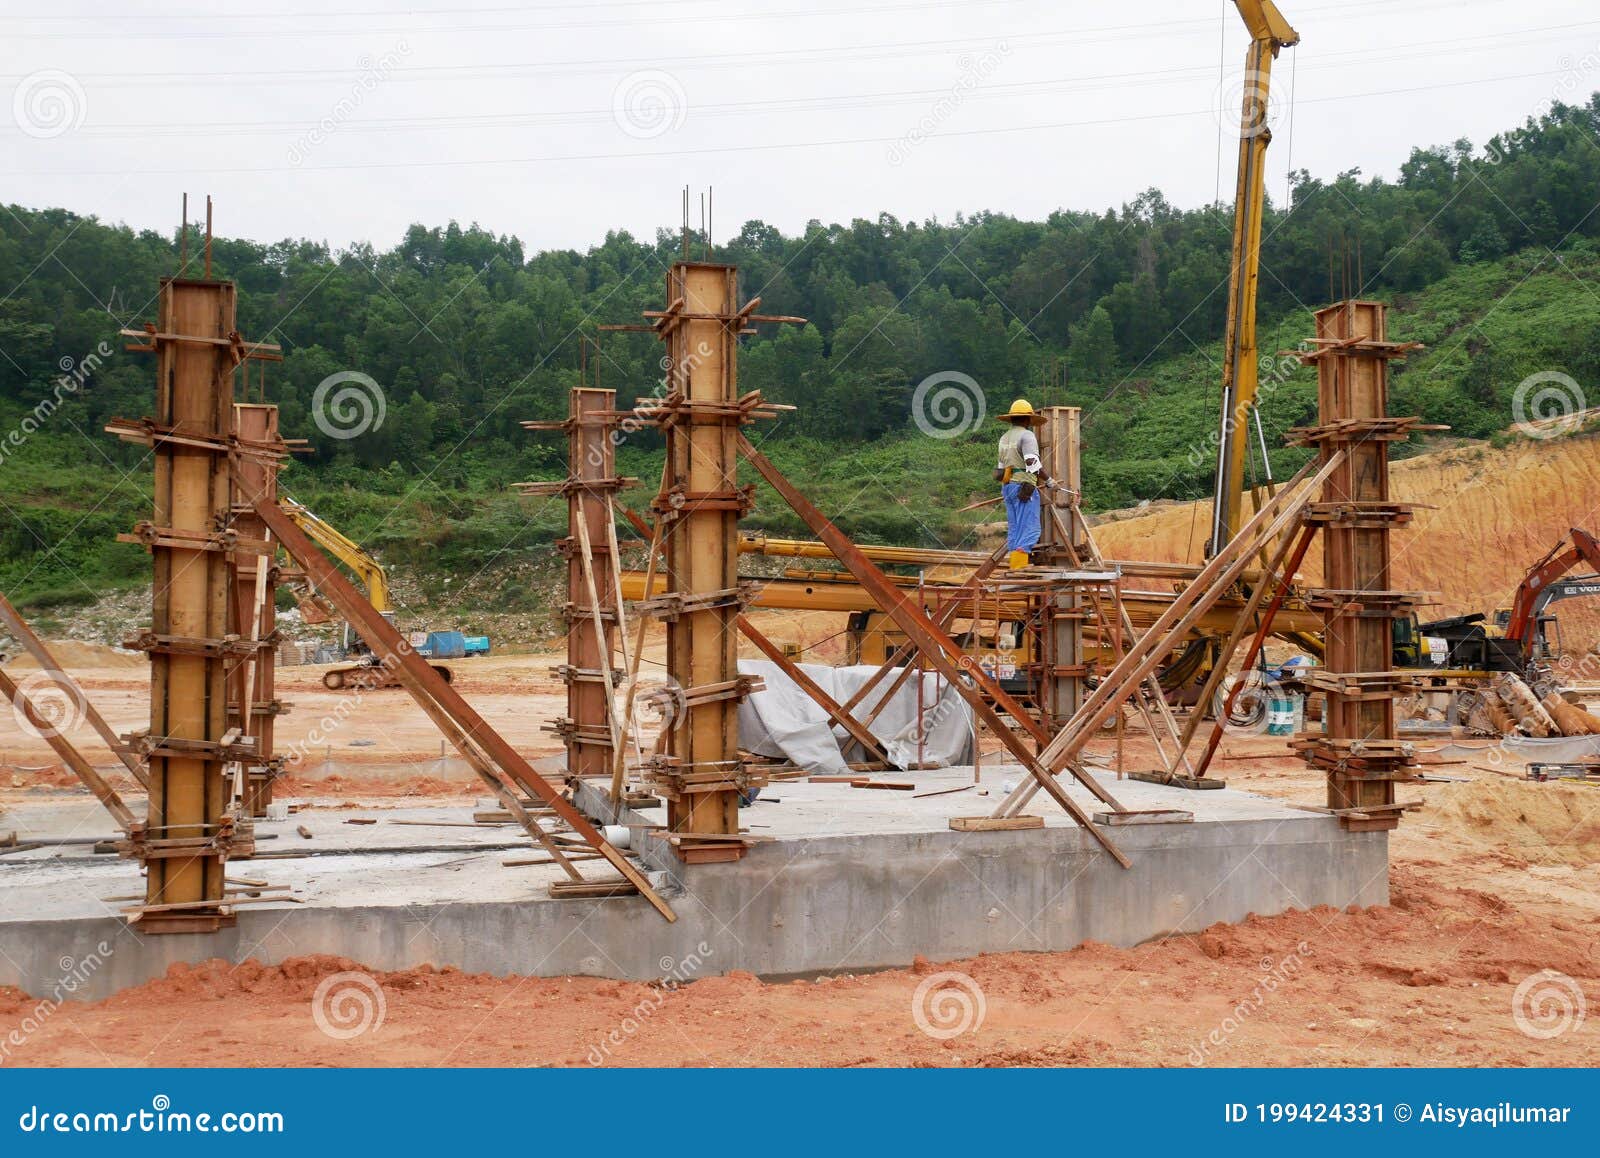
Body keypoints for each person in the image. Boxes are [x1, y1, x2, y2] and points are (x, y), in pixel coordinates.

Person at [993, 399, 1050, 569]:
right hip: (1024, 488)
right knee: (1029, 529)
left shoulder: (1004, 438)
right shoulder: (1027, 435)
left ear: (1012, 418)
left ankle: (1014, 568)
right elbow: (1032, 462)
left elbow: (1000, 469)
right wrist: (1049, 480)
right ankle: (1019, 570)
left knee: (1015, 529)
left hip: (1007, 487)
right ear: (1027, 419)